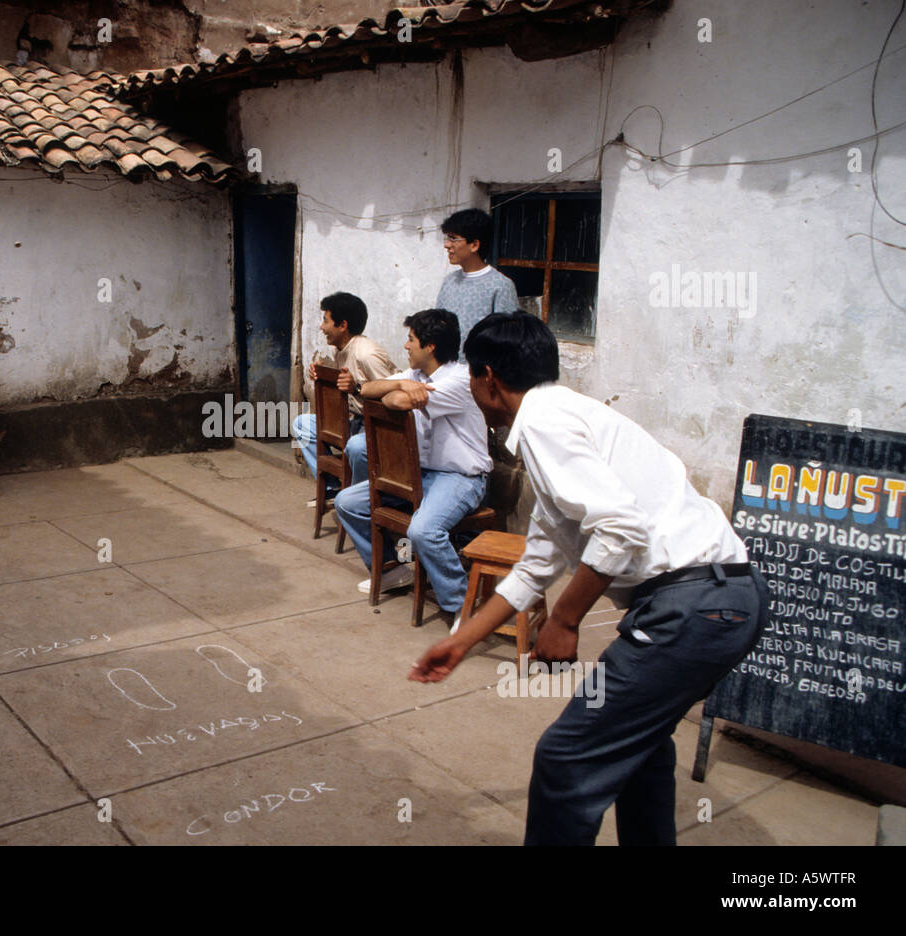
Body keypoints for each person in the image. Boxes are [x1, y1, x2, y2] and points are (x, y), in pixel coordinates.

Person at [409, 312, 766, 846]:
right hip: (721, 599)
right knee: (640, 751)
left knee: (566, 757)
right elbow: (537, 563)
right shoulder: (561, 418)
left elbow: (621, 528)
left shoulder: (544, 423)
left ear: (488, 379)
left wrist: (566, 619)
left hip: (692, 608)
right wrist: (462, 641)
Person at [333, 309, 491, 621]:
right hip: (424, 473)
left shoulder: (459, 379)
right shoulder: (415, 376)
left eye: (411, 340)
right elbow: (368, 390)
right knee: (347, 502)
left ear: (430, 346)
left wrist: (398, 393)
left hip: (461, 477)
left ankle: (461, 608)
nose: (406, 346)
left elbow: (399, 403)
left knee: (424, 531)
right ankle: (393, 570)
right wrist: (403, 386)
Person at [293, 292, 396, 505]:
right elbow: (345, 385)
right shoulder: (341, 350)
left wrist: (357, 388)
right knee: (302, 424)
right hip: (354, 421)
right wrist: (323, 375)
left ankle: (360, 501)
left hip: (377, 427)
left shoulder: (366, 353)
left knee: (357, 447)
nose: (321, 327)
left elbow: (391, 392)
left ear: (343, 325)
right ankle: (332, 487)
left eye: (325, 321)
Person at [436, 209, 518, 349]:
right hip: (447, 367)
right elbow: (436, 325)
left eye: (453, 239)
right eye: (447, 239)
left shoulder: (500, 286)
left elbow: (508, 338)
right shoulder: (450, 281)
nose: (447, 245)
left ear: (474, 245)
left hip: (478, 369)